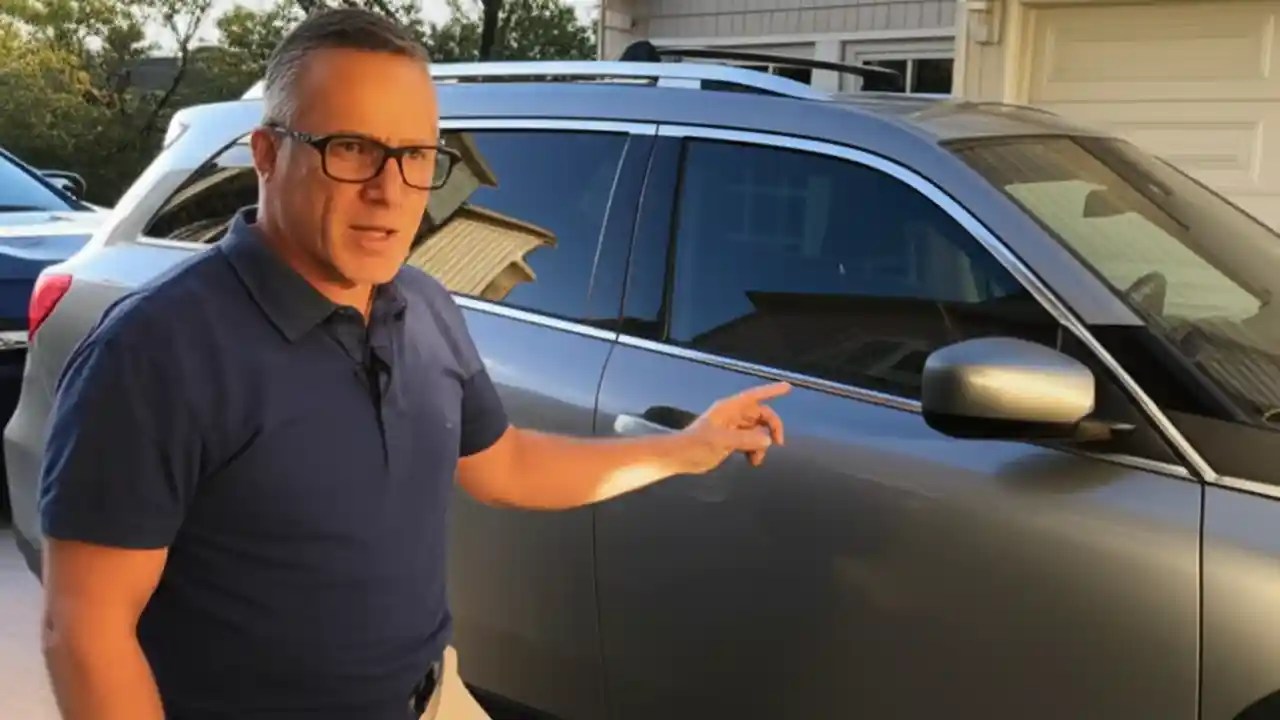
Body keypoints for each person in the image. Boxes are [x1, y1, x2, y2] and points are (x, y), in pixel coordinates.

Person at [36, 7, 790, 720]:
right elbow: (86, 630)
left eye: (417, 155)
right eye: (351, 148)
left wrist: (689, 448)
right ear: (266, 155)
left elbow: (509, 465)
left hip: (434, 697)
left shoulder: (423, 306)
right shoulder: (156, 353)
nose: (389, 190)